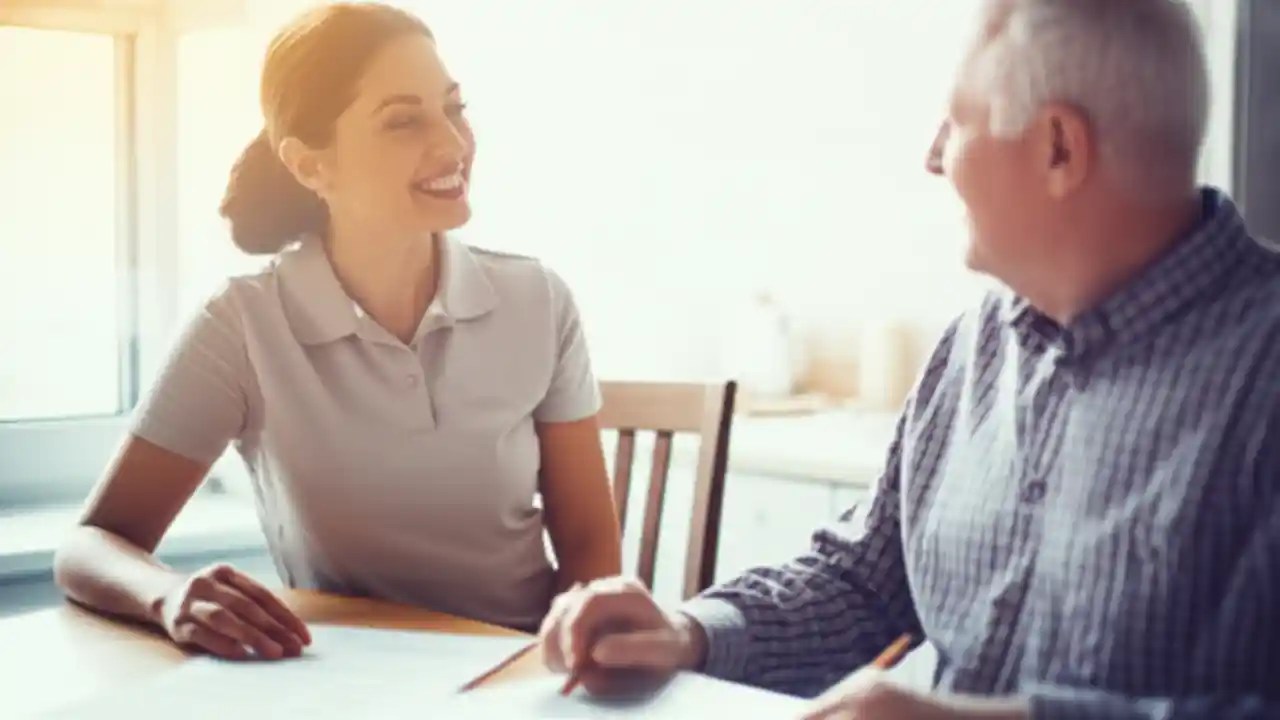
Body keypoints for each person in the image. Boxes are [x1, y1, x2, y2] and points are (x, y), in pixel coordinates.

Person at [539, 0, 1280, 717]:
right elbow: (863, 584)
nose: (932, 158)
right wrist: (689, 633)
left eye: (955, 124)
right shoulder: (972, 347)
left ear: (1058, 148)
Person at [53, 2, 622, 660]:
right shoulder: (242, 325)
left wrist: (560, 674)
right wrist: (169, 596)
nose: (452, 143)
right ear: (309, 165)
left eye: (454, 108)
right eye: (404, 121)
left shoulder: (538, 300)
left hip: (518, 669)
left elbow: (587, 544)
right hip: (342, 681)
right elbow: (89, 544)